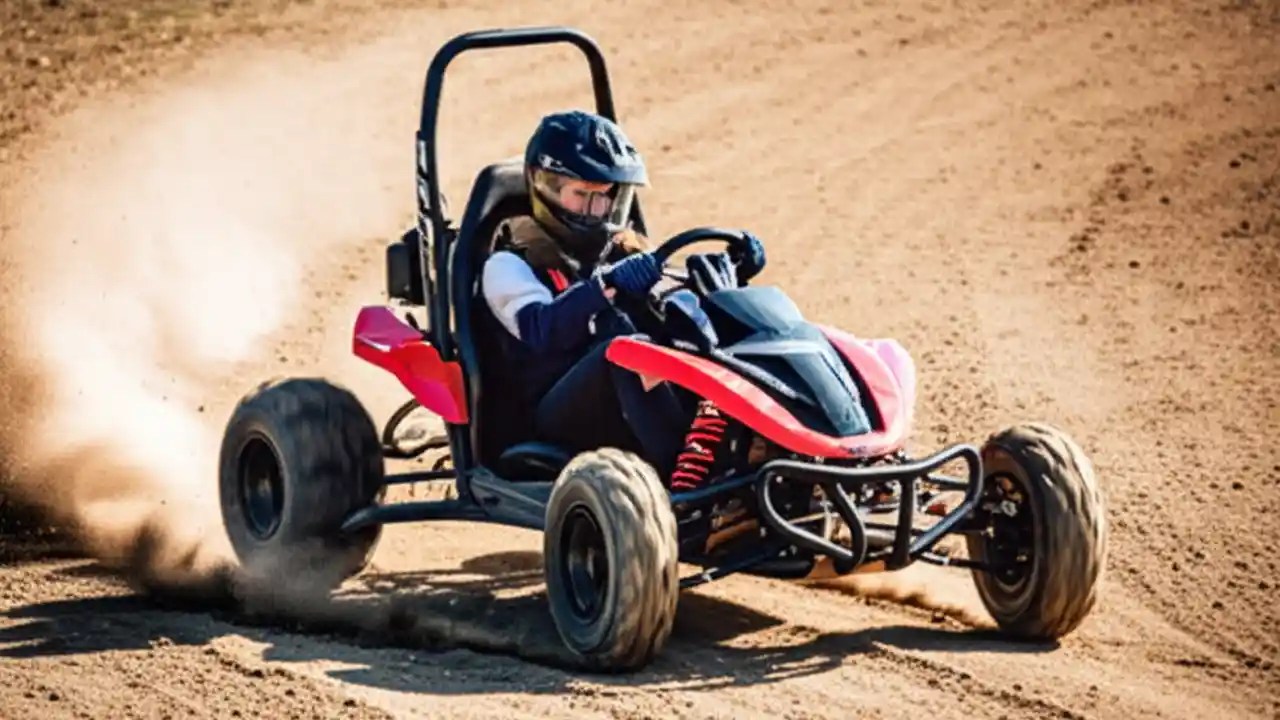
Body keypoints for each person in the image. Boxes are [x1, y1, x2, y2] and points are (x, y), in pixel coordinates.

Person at [480, 109, 764, 488]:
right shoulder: (508, 263)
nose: (595, 210)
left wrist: (727, 276)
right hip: (549, 413)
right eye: (582, 195)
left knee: (711, 329)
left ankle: (766, 452)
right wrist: (604, 288)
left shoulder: (618, 250)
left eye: (604, 197)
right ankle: (684, 485)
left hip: (621, 403)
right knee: (628, 354)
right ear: (543, 185)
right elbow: (541, 330)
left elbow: (668, 298)